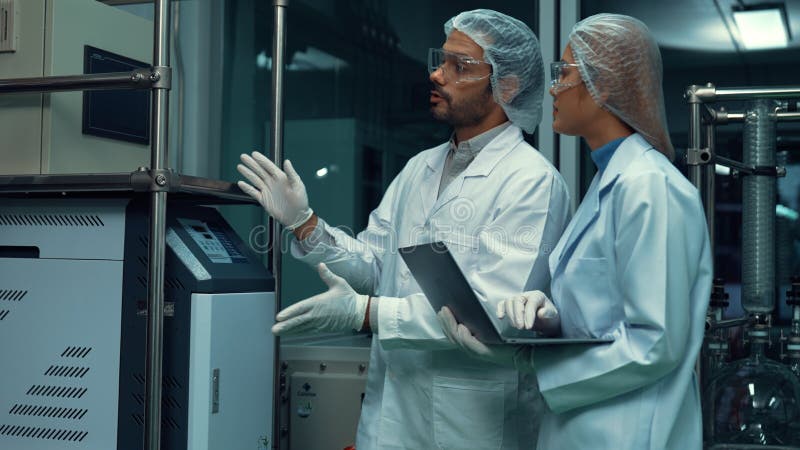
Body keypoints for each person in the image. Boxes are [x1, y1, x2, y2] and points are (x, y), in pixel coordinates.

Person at [236, 9, 570, 450]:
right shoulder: (420, 168)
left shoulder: (532, 181)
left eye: (459, 66)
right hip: (390, 419)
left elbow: (495, 316)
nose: (436, 73)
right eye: (441, 59)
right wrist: (305, 224)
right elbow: (375, 267)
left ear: (506, 86)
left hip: (473, 426)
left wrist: (367, 314)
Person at [437, 13, 712, 450]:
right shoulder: (608, 182)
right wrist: (549, 318)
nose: (552, 88)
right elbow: (604, 315)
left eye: (563, 74)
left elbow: (654, 343)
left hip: (633, 433)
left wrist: (533, 363)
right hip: (584, 428)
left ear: (602, 85)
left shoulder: (650, 188)